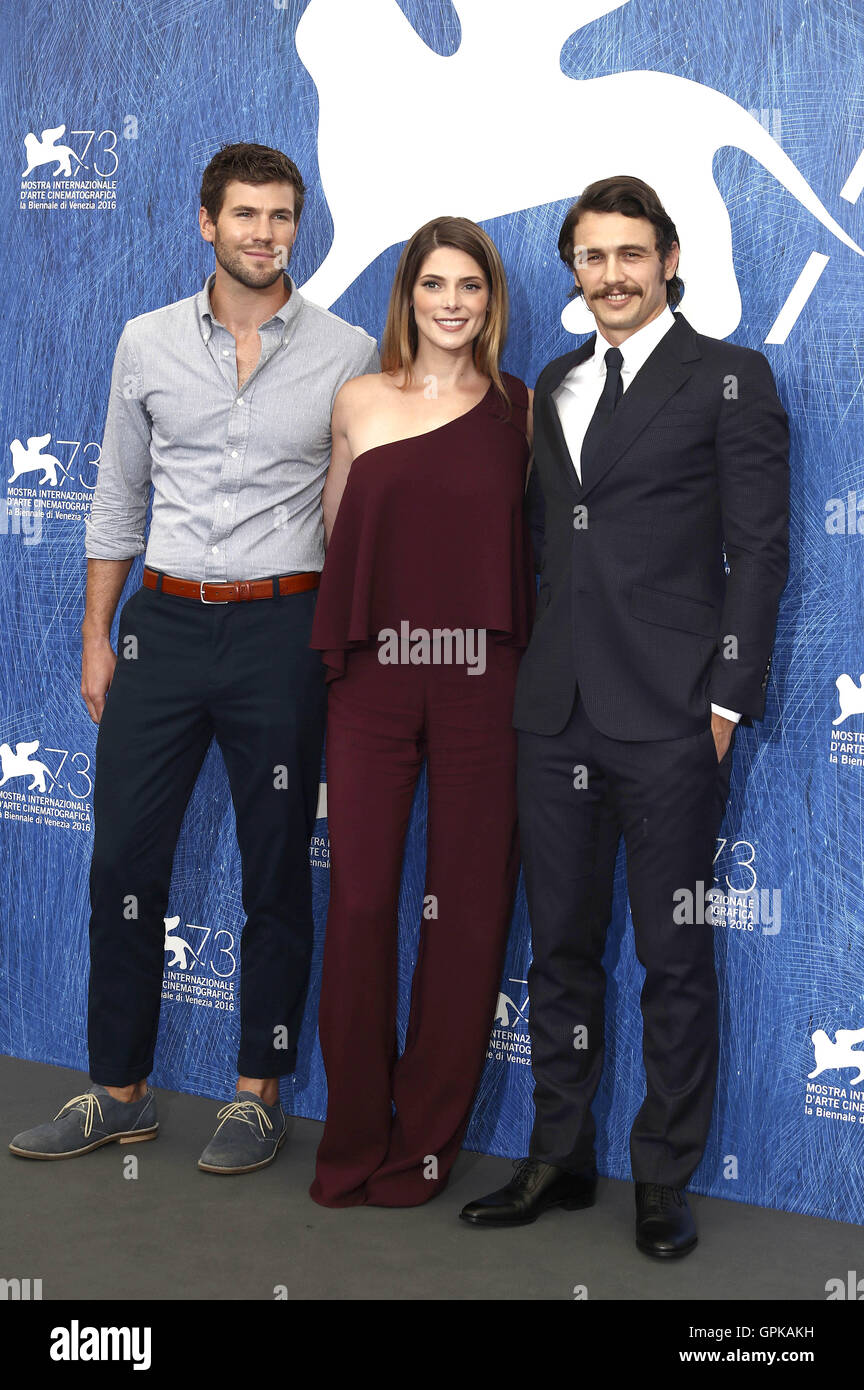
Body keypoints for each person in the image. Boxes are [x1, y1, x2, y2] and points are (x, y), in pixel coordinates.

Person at [9, 143, 378, 1173]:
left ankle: (256, 1094)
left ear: (299, 226)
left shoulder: (348, 351)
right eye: (247, 215)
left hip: (282, 631)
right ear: (205, 223)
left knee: (274, 866)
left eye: (283, 216)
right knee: (124, 860)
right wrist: (96, 635)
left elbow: (360, 516)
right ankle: (117, 1090)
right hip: (160, 626)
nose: (266, 233)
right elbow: (118, 497)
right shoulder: (146, 341)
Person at [460, 175, 789, 1255]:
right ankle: (559, 1157)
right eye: (592, 258)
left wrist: (727, 700)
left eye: (630, 254)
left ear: (670, 257)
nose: (612, 275)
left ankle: (663, 1175)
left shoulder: (732, 380)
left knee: (675, 955)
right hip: (553, 712)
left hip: (671, 718)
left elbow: (759, 551)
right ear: (574, 272)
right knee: (559, 948)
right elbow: (550, 548)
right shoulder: (551, 382)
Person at [308, 216, 535, 1207]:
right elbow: (334, 529)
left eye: (471, 287)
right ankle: (354, 1139)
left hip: (485, 678)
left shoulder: (520, 410)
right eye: (436, 283)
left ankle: (425, 1148)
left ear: (491, 302)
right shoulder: (356, 398)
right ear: (407, 294)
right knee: (359, 904)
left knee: (470, 911)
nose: (453, 301)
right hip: (373, 677)